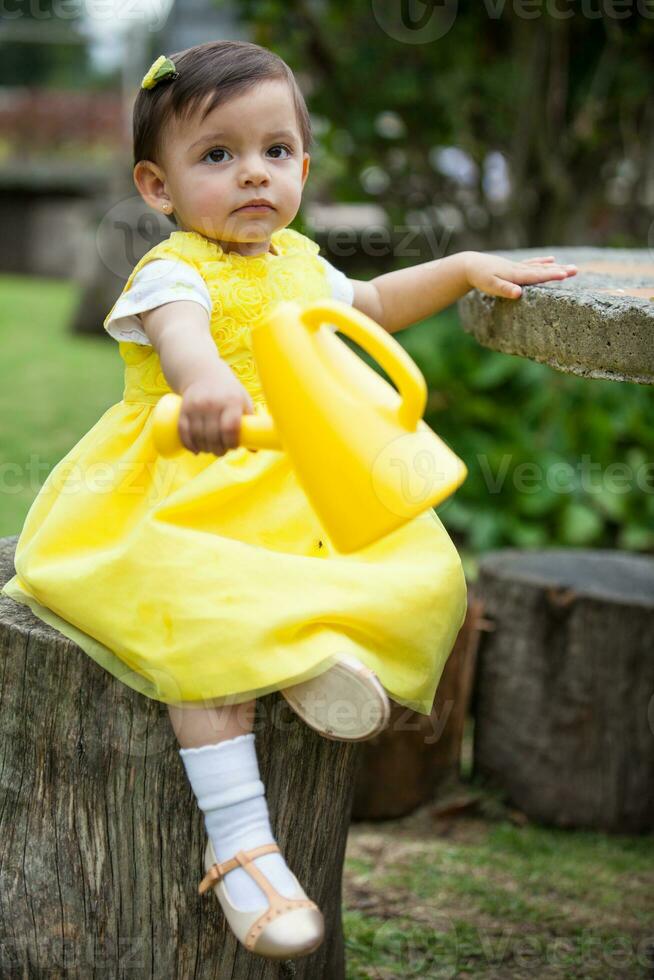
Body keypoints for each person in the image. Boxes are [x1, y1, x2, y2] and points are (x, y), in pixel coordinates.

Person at [1, 40, 577, 960]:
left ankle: (315, 656)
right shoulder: (171, 271)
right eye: (217, 156)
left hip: (300, 479)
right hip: (188, 487)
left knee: (420, 563)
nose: (253, 176)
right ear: (159, 187)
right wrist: (203, 386)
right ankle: (242, 847)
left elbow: (377, 303)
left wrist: (463, 265)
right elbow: (183, 337)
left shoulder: (303, 264)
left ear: (304, 166)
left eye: (275, 152)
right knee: (205, 629)